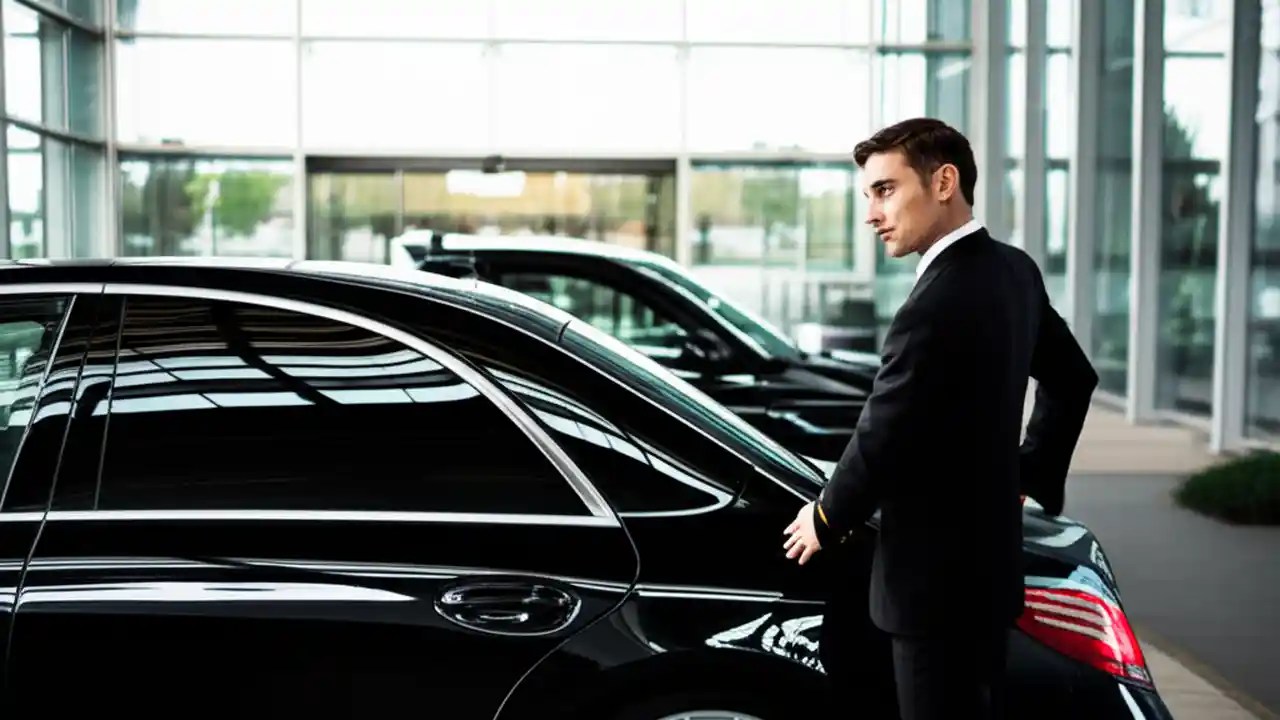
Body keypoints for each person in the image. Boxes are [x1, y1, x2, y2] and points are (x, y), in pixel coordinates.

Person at [781, 117, 1098, 719]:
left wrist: (825, 516)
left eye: (885, 190)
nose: (872, 213)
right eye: (868, 195)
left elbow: (885, 428)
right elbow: (1072, 378)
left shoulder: (934, 302)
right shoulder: (1015, 271)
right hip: (989, 573)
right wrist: (1027, 474)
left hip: (931, 591)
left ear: (944, 181)